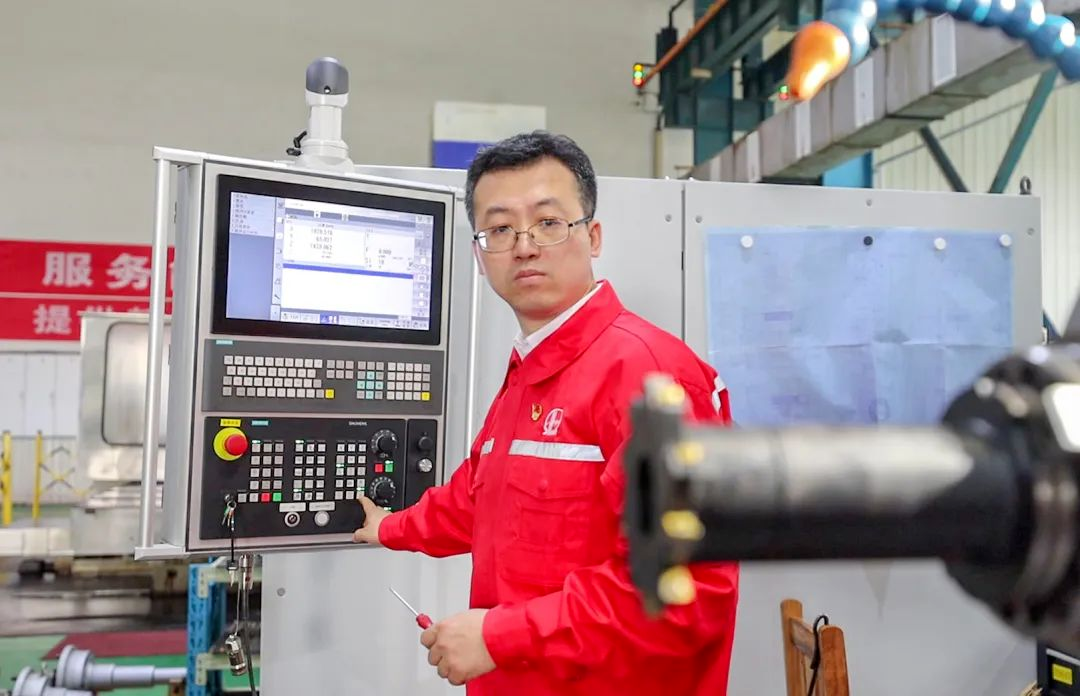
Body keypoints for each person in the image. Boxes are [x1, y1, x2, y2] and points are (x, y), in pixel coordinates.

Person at [353, 131, 739, 695]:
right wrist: (389, 527)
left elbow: (686, 593)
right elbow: (480, 500)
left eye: (548, 222)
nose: (525, 246)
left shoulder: (649, 376)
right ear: (479, 255)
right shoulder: (530, 371)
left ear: (593, 236)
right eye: (500, 229)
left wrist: (498, 637)